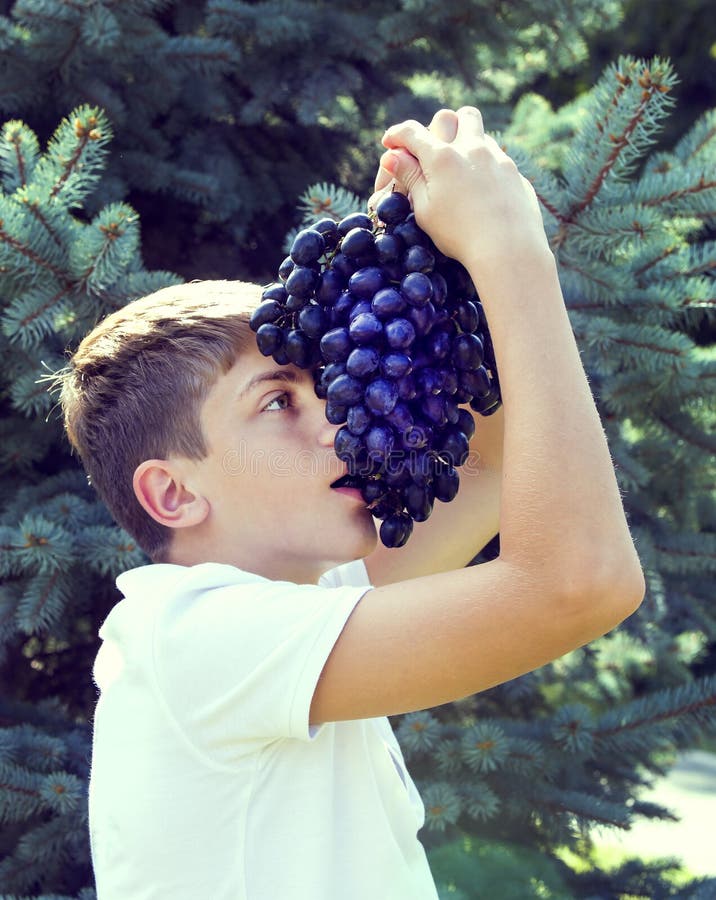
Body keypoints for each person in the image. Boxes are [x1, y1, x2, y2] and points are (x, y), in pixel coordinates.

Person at [56, 107, 645, 899]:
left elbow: (496, 462)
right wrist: (512, 254)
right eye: (277, 403)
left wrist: (421, 267)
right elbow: (582, 580)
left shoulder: (297, 604)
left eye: (323, 386)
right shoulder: (192, 638)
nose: (337, 417)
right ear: (173, 491)